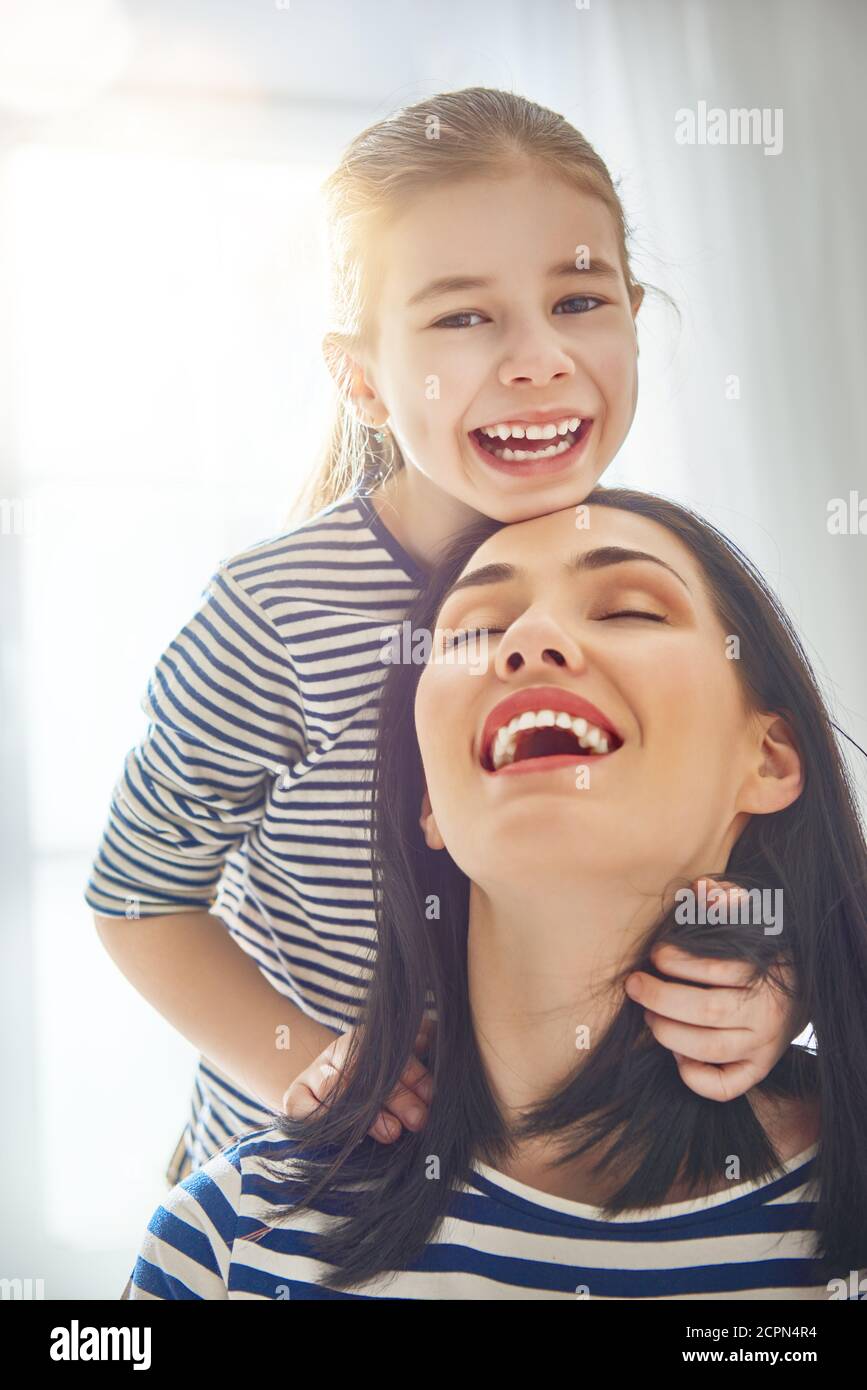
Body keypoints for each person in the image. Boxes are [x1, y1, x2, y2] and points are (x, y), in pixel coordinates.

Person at [86, 89, 797, 1189]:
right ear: (364, 379)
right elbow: (139, 900)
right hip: (317, 1181)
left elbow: (736, 854)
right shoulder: (275, 614)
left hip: (549, 1168)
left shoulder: (663, 585)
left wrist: (766, 982)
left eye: (577, 299)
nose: (538, 358)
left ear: (634, 318)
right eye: (464, 318)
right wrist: (305, 1063)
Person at [126, 490, 867, 1299]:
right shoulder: (227, 1244)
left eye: (627, 611)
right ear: (431, 805)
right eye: (475, 628)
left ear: (767, 761)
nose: (530, 641)